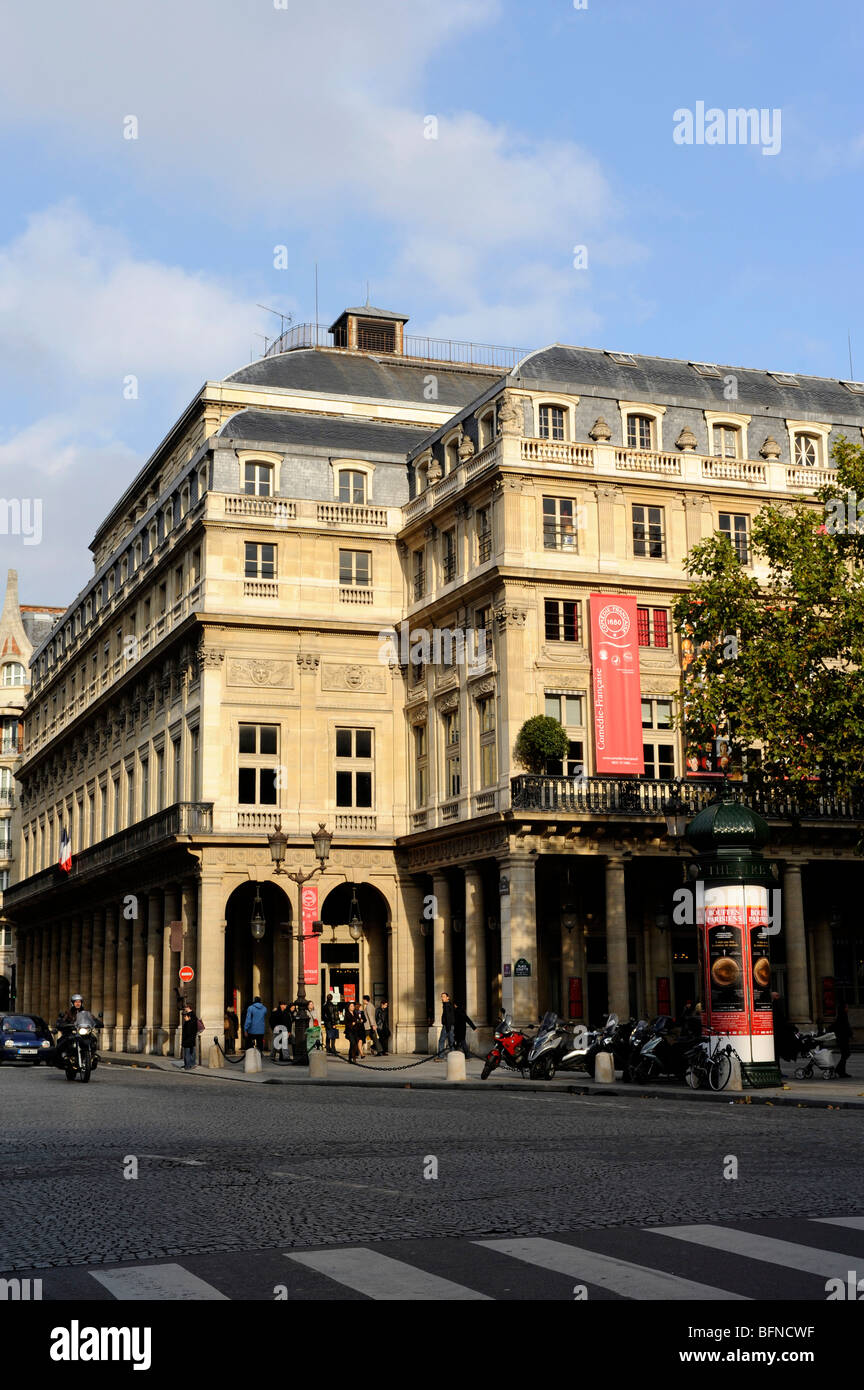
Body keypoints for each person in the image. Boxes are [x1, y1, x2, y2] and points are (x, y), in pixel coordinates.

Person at [54, 993, 100, 1069]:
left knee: (93, 1039)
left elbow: (92, 1018)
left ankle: (93, 1056)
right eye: (76, 1002)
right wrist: (61, 1023)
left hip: (83, 1032)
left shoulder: (85, 1013)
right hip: (72, 1032)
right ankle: (63, 1059)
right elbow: (63, 1020)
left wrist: (97, 1022)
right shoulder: (68, 1013)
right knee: (62, 1041)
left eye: (79, 1002)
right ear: (72, 1003)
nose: (78, 1003)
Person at [834, 1001, 853, 1078]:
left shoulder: (842, 1016)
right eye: (846, 1007)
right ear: (843, 1008)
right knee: (846, 1054)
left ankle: (841, 1071)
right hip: (843, 1038)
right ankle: (839, 1070)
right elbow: (845, 1027)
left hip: (843, 1038)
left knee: (845, 1054)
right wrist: (850, 1034)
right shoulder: (842, 1017)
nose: (847, 1008)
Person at [436, 992, 456, 1059]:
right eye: (441, 997)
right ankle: (453, 1056)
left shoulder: (446, 1005)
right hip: (450, 1025)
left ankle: (441, 1056)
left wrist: (447, 1027)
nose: (442, 998)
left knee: (441, 1041)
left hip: (447, 1026)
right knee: (451, 1041)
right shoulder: (449, 1005)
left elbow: (448, 1017)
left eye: (444, 996)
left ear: (448, 997)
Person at [181, 1005, 199, 1070]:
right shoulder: (192, 1016)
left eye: (185, 1016)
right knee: (190, 1052)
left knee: (187, 1053)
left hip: (188, 1039)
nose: (184, 1017)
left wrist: (185, 1038)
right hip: (191, 1039)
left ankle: (188, 1065)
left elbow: (189, 1031)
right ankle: (190, 1064)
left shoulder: (191, 1018)